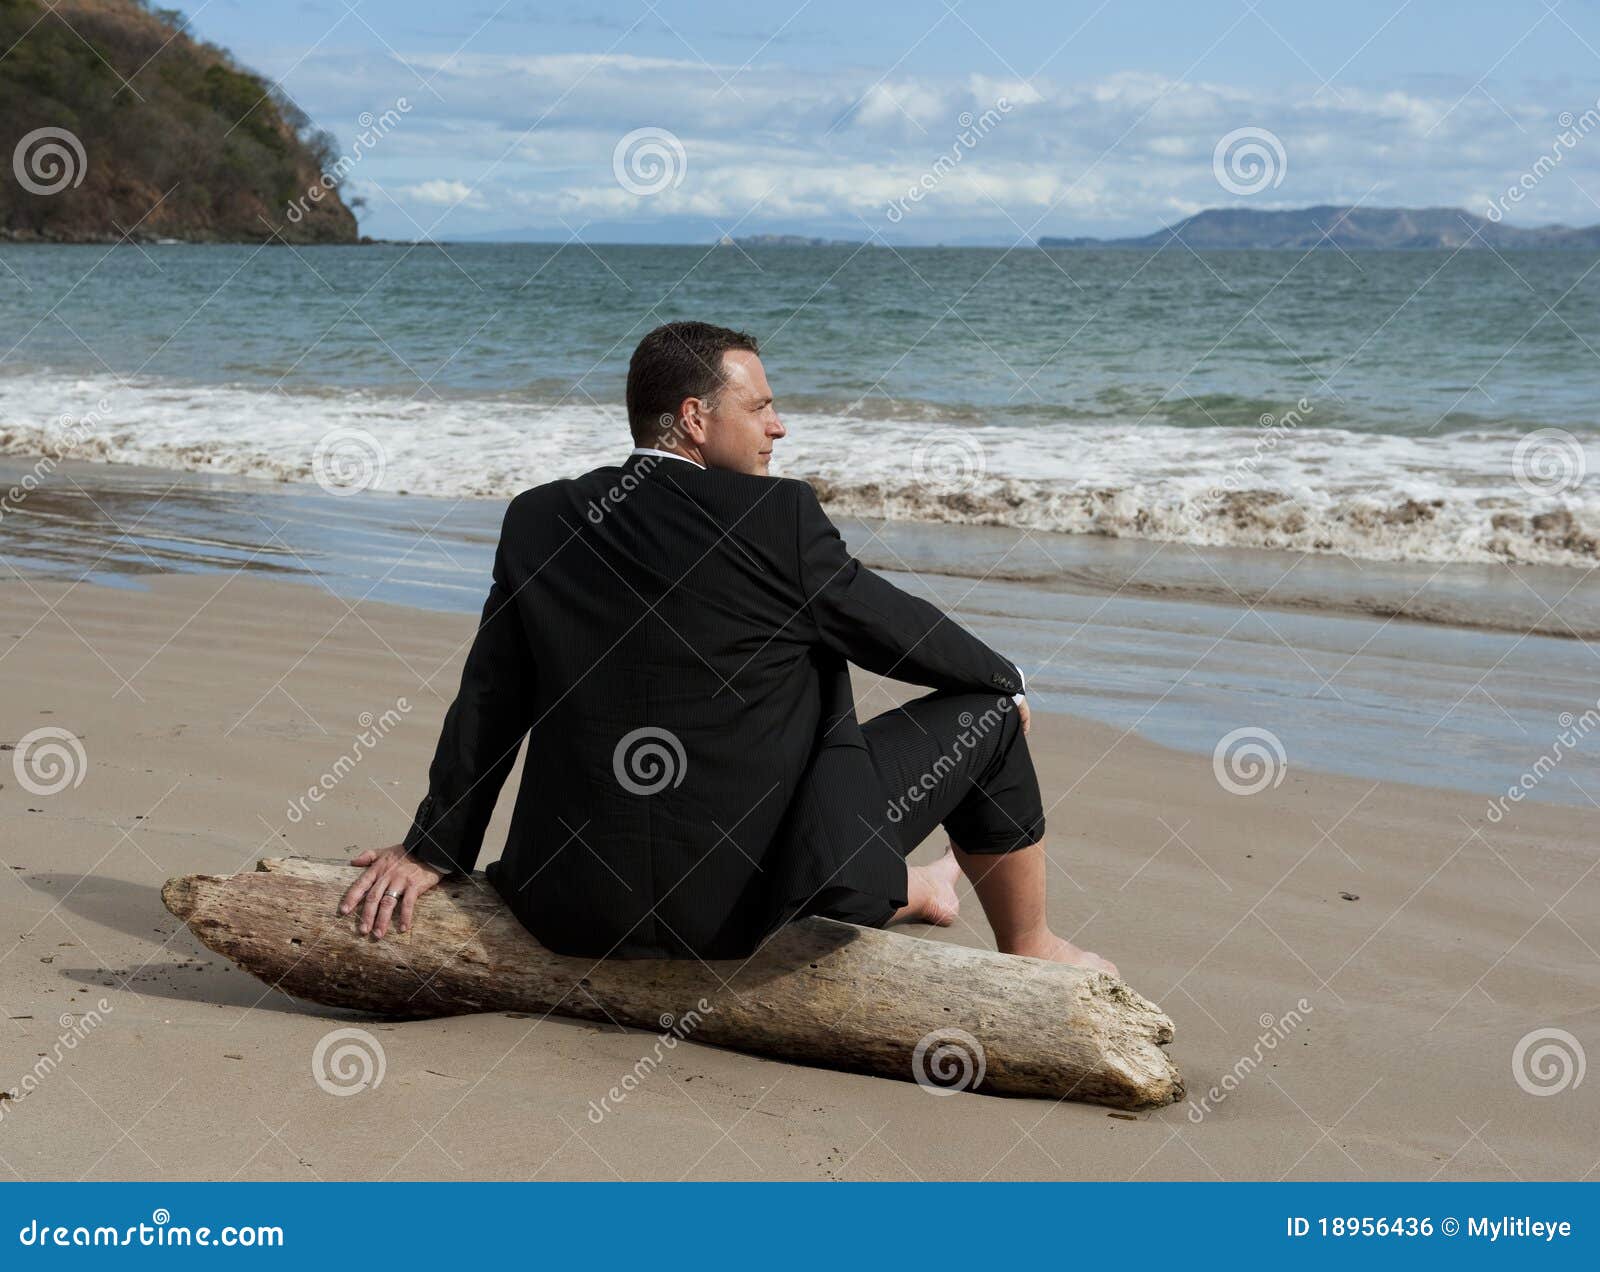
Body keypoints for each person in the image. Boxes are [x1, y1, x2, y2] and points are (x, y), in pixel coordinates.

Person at [339, 320, 1116, 976]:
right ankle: (1031, 947)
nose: (778, 427)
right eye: (762, 407)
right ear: (694, 418)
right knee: (988, 707)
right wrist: (1005, 679)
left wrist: (432, 848)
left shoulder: (540, 519)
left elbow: (491, 699)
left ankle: (918, 889)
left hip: (571, 907)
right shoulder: (778, 519)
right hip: (745, 918)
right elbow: (891, 628)